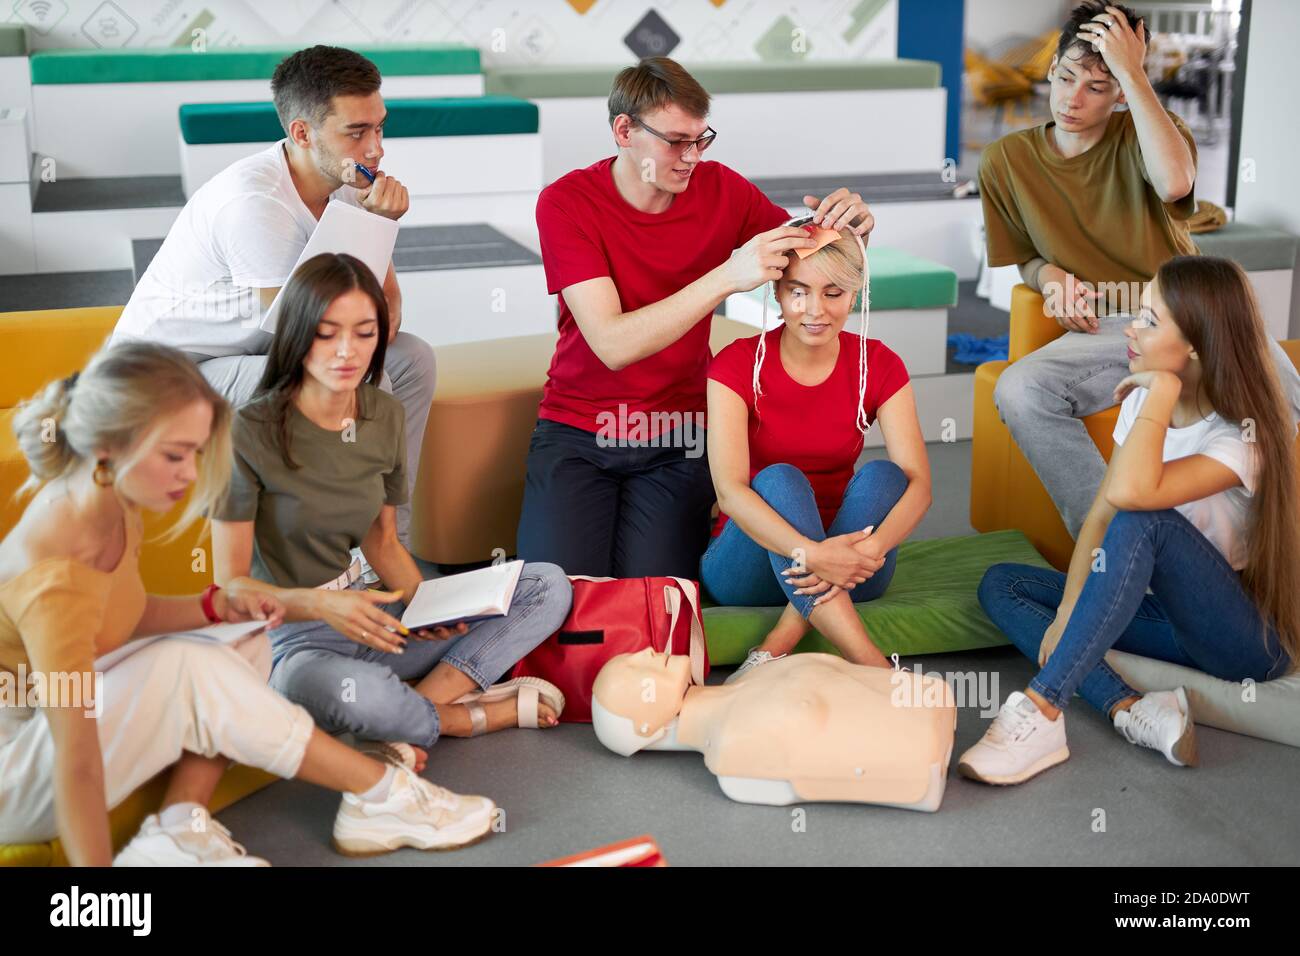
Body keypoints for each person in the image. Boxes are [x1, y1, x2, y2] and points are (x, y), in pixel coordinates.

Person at [0, 343, 496, 866]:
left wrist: (217, 608)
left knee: (245, 640)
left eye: (195, 453)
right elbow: (76, 763)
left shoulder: (112, 499)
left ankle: (179, 829)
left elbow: (122, 616)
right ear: (110, 445)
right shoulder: (55, 579)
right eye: (174, 455)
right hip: (16, 776)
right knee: (185, 665)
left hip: (45, 720)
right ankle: (377, 792)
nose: (190, 474)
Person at [516, 56, 876, 579]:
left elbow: (809, 262)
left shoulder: (723, 189)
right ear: (624, 131)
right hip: (577, 430)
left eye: (701, 139)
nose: (692, 157)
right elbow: (613, 345)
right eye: (676, 141)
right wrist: (727, 276)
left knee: (661, 592)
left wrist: (853, 233)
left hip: (678, 433)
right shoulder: (566, 203)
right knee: (558, 590)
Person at [210, 253, 572, 766]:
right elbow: (230, 589)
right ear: (297, 336)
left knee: (547, 585)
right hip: (290, 639)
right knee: (347, 692)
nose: (347, 352)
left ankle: (415, 709)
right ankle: (462, 718)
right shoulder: (248, 432)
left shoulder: (382, 414)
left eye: (364, 333)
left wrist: (429, 608)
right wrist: (322, 606)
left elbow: (382, 541)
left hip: (372, 612)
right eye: (327, 333)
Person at [963, 257, 1298, 785]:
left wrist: (1160, 394)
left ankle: (1043, 709)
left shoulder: (1242, 433)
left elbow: (1130, 497)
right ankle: (1130, 710)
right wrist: (1068, 608)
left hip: (1240, 639)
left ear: (1196, 343)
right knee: (1003, 584)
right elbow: (1101, 513)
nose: (1130, 329)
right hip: (1165, 614)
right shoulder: (1142, 397)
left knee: (1146, 521)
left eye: (1149, 320)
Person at [980, 1, 1300, 537]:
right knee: (1019, 389)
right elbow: (1024, 257)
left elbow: (1175, 184)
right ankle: (1113, 542)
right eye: (1066, 78)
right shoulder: (1005, 161)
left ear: (1123, 92)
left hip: (1193, 318)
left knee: (1285, 390)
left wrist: (1133, 73)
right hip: (1108, 332)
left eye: (1098, 87)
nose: (1073, 99)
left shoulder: (1153, 130)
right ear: (1051, 69)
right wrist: (1048, 276)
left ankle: (1261, 539)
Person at [110, 44, 434, 547]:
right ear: (301, 133)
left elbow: (386, 316)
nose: (376, 149)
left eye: (379, 127)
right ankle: (350, 554)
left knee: (413, 359)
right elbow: (314, 341)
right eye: (357, 131)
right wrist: (374, 226)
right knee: (362, 385)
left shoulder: (346, 183)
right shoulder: (255, 203)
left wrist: (377, 227)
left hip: (247, 356)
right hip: (161, 380)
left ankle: (391, 547)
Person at [701, 226, 931, 679]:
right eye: (798, 291)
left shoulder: (880, 363)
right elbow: (729, 492)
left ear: (854, 295)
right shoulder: (736, 363)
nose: (815, 310)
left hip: (856, 568)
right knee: (777, 478)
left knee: (887, 476)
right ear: (777, 292)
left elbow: (920, 487)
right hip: (748, 566)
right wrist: (810, 553)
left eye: (833, 293)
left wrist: (864, 554)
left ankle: (776, 645)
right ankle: (874, 668)